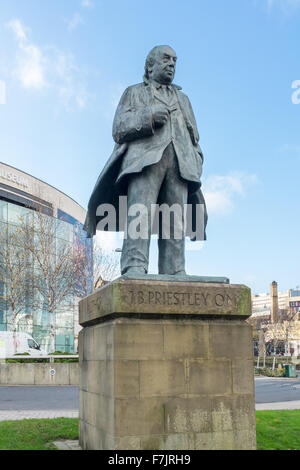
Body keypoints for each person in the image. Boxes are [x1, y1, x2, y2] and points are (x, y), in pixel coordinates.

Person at [84, 45, 207, 276]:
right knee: (139, 214)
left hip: (180, 164)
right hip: (144, 161)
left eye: (175, 60)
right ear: (150, 66)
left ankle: (175, 269)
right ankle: (135, 267)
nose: (172, 64)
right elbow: (118, 128)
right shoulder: (134, 92)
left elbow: (194, 137)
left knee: (176, 220)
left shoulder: (184, 99)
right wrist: (148, 115)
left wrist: (197, 160)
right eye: (166, 59)